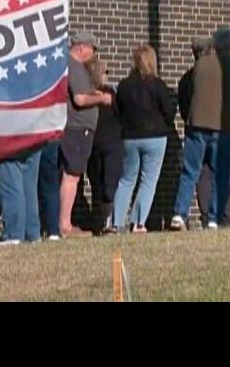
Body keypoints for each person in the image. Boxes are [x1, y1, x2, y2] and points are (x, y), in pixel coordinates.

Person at [171, 27, 230, 231]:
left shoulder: (200, 64)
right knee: (220, 173)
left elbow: (191, 93)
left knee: (190, 171)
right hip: (222, 126)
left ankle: (180, 214)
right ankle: (214, 218)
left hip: (196, 124)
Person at [113, 44, 175, 233]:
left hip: (130, 137)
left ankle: (116, 223)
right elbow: (169, 111)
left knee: (126, 179)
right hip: (155, 136)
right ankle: (139, 223)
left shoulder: (124, 86)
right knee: (148, 180)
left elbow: (118, 111)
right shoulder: (158, 85)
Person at [58, 31, 111, 238]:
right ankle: (65, 225)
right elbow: (79, 99)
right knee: (72, 175)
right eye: (93, 49)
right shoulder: (75, 66)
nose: (94, 54)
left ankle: (64, 223)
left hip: (76, 128)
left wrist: (92, 93)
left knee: (72, 175)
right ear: (82, 47)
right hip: (78, 128)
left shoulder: (71, 65)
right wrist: (102, 99)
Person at [85, 57, 124, 233]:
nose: (107, 75)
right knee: (105, 184)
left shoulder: (93, 94)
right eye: (105, 72)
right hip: (108, 143)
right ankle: (105, 221)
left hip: (97, 142)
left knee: (101, 184)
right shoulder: (105, 94)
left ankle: (103, 222)